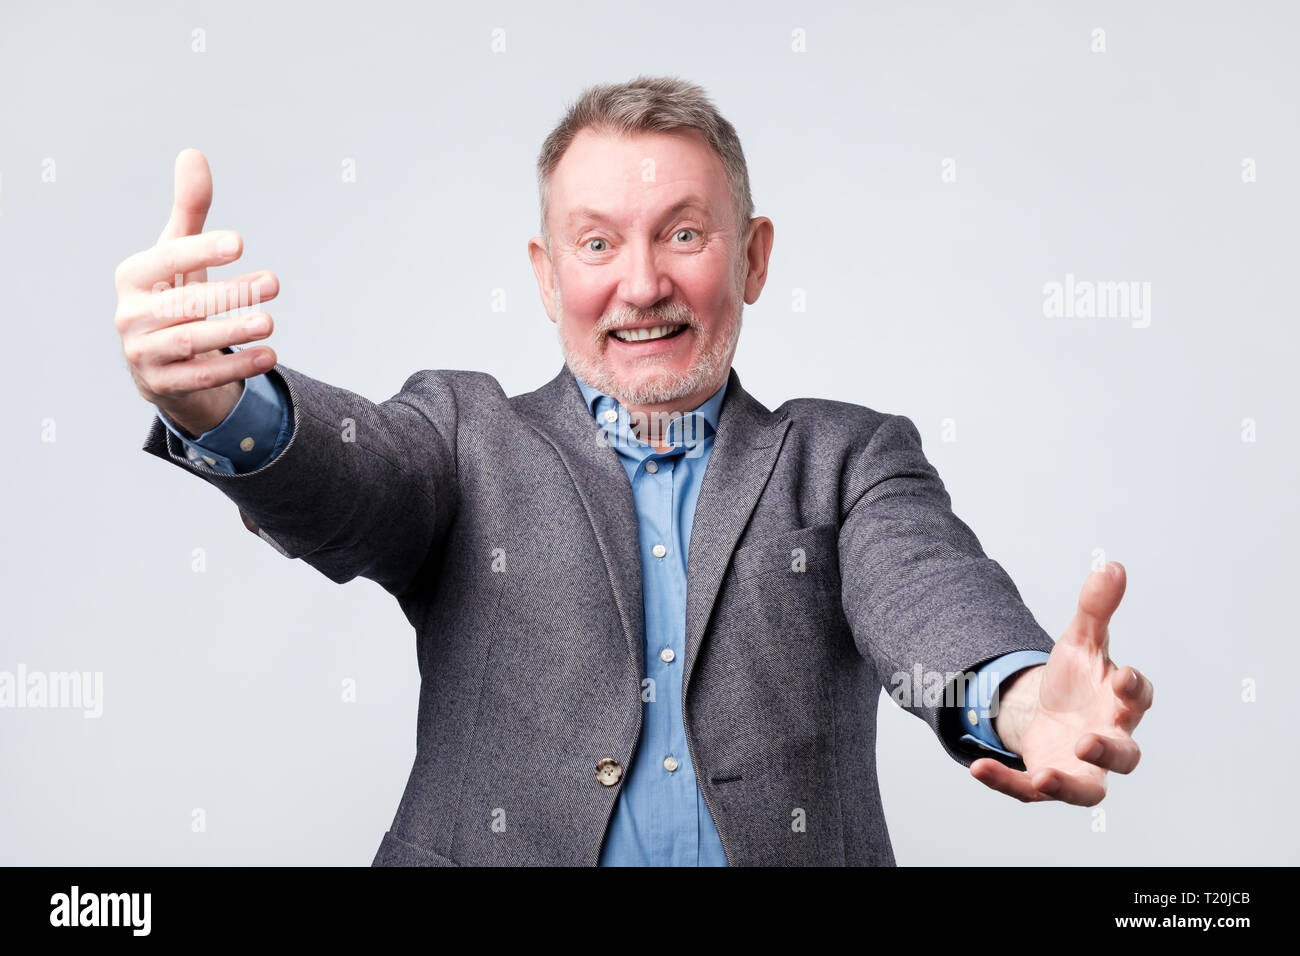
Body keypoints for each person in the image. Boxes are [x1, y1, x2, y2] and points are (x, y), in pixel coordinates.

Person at [114, 76, 1153, 866]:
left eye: (684, 234)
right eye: (597, 242)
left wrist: (1012, 695)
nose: (641, 282)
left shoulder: (849, 458)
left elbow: (924, 589)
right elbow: (356, 479)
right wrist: (218, 399)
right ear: (546, 272)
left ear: (751, 257)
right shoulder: (464, 434)